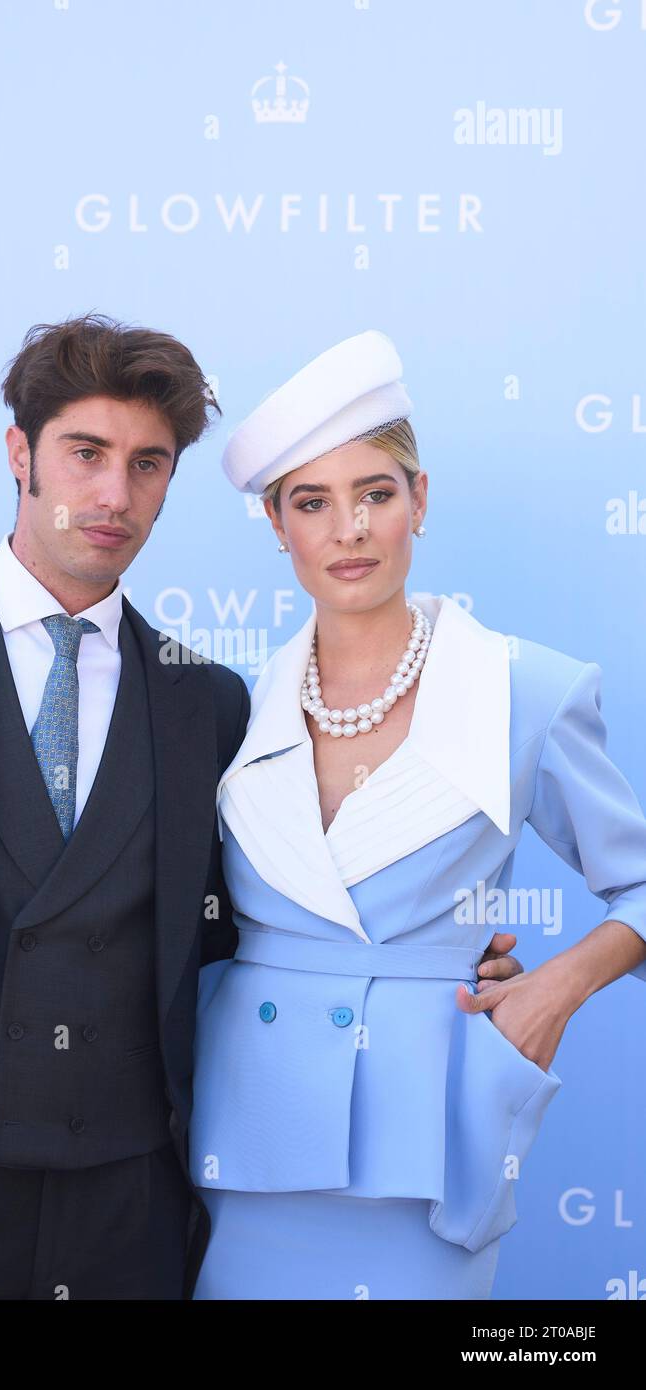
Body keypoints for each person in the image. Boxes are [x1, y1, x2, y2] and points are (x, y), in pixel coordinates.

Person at [0, 313, 522, 1301]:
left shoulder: (205, 700)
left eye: (148, 464)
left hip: (131, 1205)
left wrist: (432, 954)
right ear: (20, 454)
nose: (113, 494)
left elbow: (250, 924)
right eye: (85, 453)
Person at [188, 329, 646, 1300]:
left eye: (375, 493)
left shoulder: (527, 690)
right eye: (311, 502)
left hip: (428, 1137)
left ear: (419, 501)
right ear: (277, 525)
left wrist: (550, 987)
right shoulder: (226, 709)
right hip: (247, 1139)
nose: (347, 528)